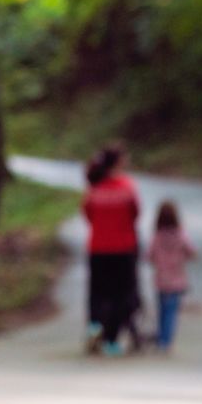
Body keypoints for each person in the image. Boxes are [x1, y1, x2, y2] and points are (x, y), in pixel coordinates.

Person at [81, 145, 140, 355]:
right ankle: (111, 340)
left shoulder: (94, 189)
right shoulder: (127, 187)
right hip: (123, 248)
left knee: (97, 291)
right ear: (119, 162)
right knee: (120, 295)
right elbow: (135, 213)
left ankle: (95, 325)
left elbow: (87, 214)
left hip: (98, 248)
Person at [147, 200, 196, 353]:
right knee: (171, 311)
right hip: (177, 279)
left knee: (162, 310)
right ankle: (166, 341)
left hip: (161, 279)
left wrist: (158, 261)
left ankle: (162, 338)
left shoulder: (157, 236)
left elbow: (149, 255)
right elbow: (192, 251)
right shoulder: (181, 235)